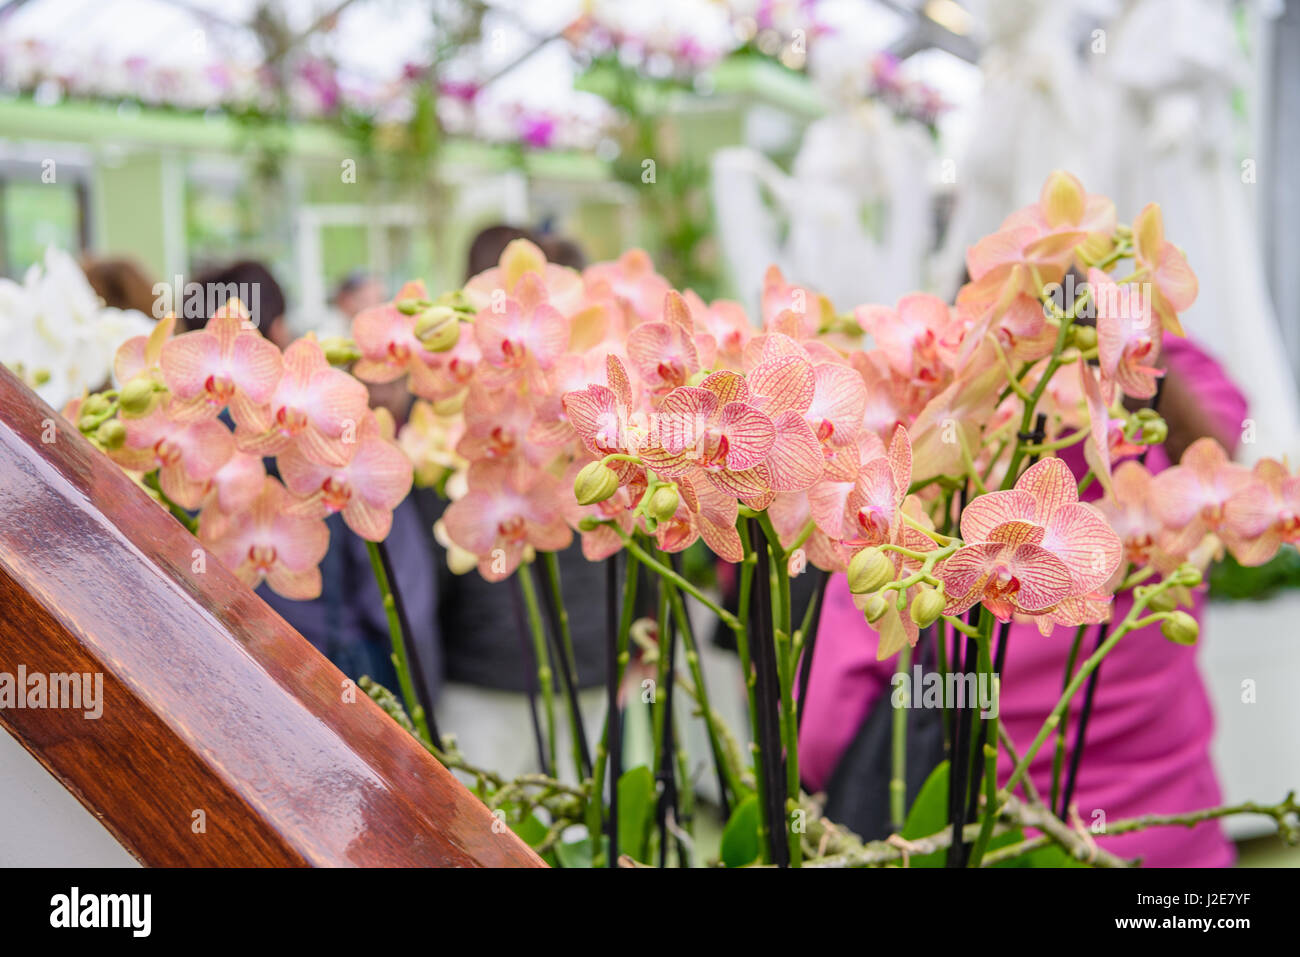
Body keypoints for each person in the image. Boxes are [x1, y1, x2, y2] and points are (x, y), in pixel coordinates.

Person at [798, 335, 1245, 866]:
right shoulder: (1170, 474)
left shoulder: (938, 498)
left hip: (1005, 842)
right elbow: (1214, 427)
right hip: (1183, 847)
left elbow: (818, 737)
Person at [182, 260, 441, 700]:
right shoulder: (328, 427)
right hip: (337, 663)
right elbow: (401, 598)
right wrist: (424, 693)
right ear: (279, 329)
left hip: (221, 661)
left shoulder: (179, 443)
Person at [420, 223, 608, 780]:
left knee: (485, 828)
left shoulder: (469, 394)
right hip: (573, 655)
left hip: (499, 659)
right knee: (573, 818)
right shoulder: (464, 389)